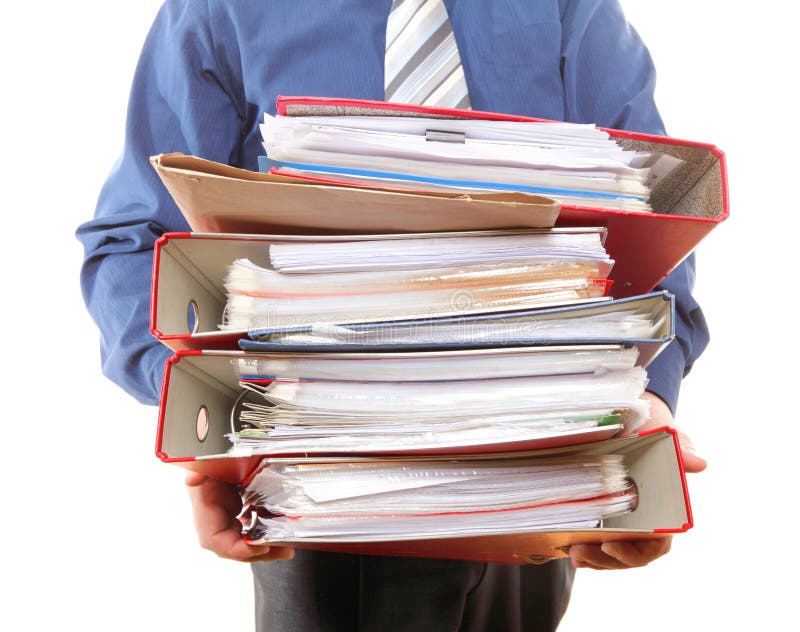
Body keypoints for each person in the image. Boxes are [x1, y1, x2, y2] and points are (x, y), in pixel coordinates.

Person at [77, 1, 709, 630]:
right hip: (323, 498)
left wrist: (645, 400)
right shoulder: (220, 9)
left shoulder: (570, 7)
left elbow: (650, 210)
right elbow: (135, 237)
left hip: (539, 480)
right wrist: (208, 414)